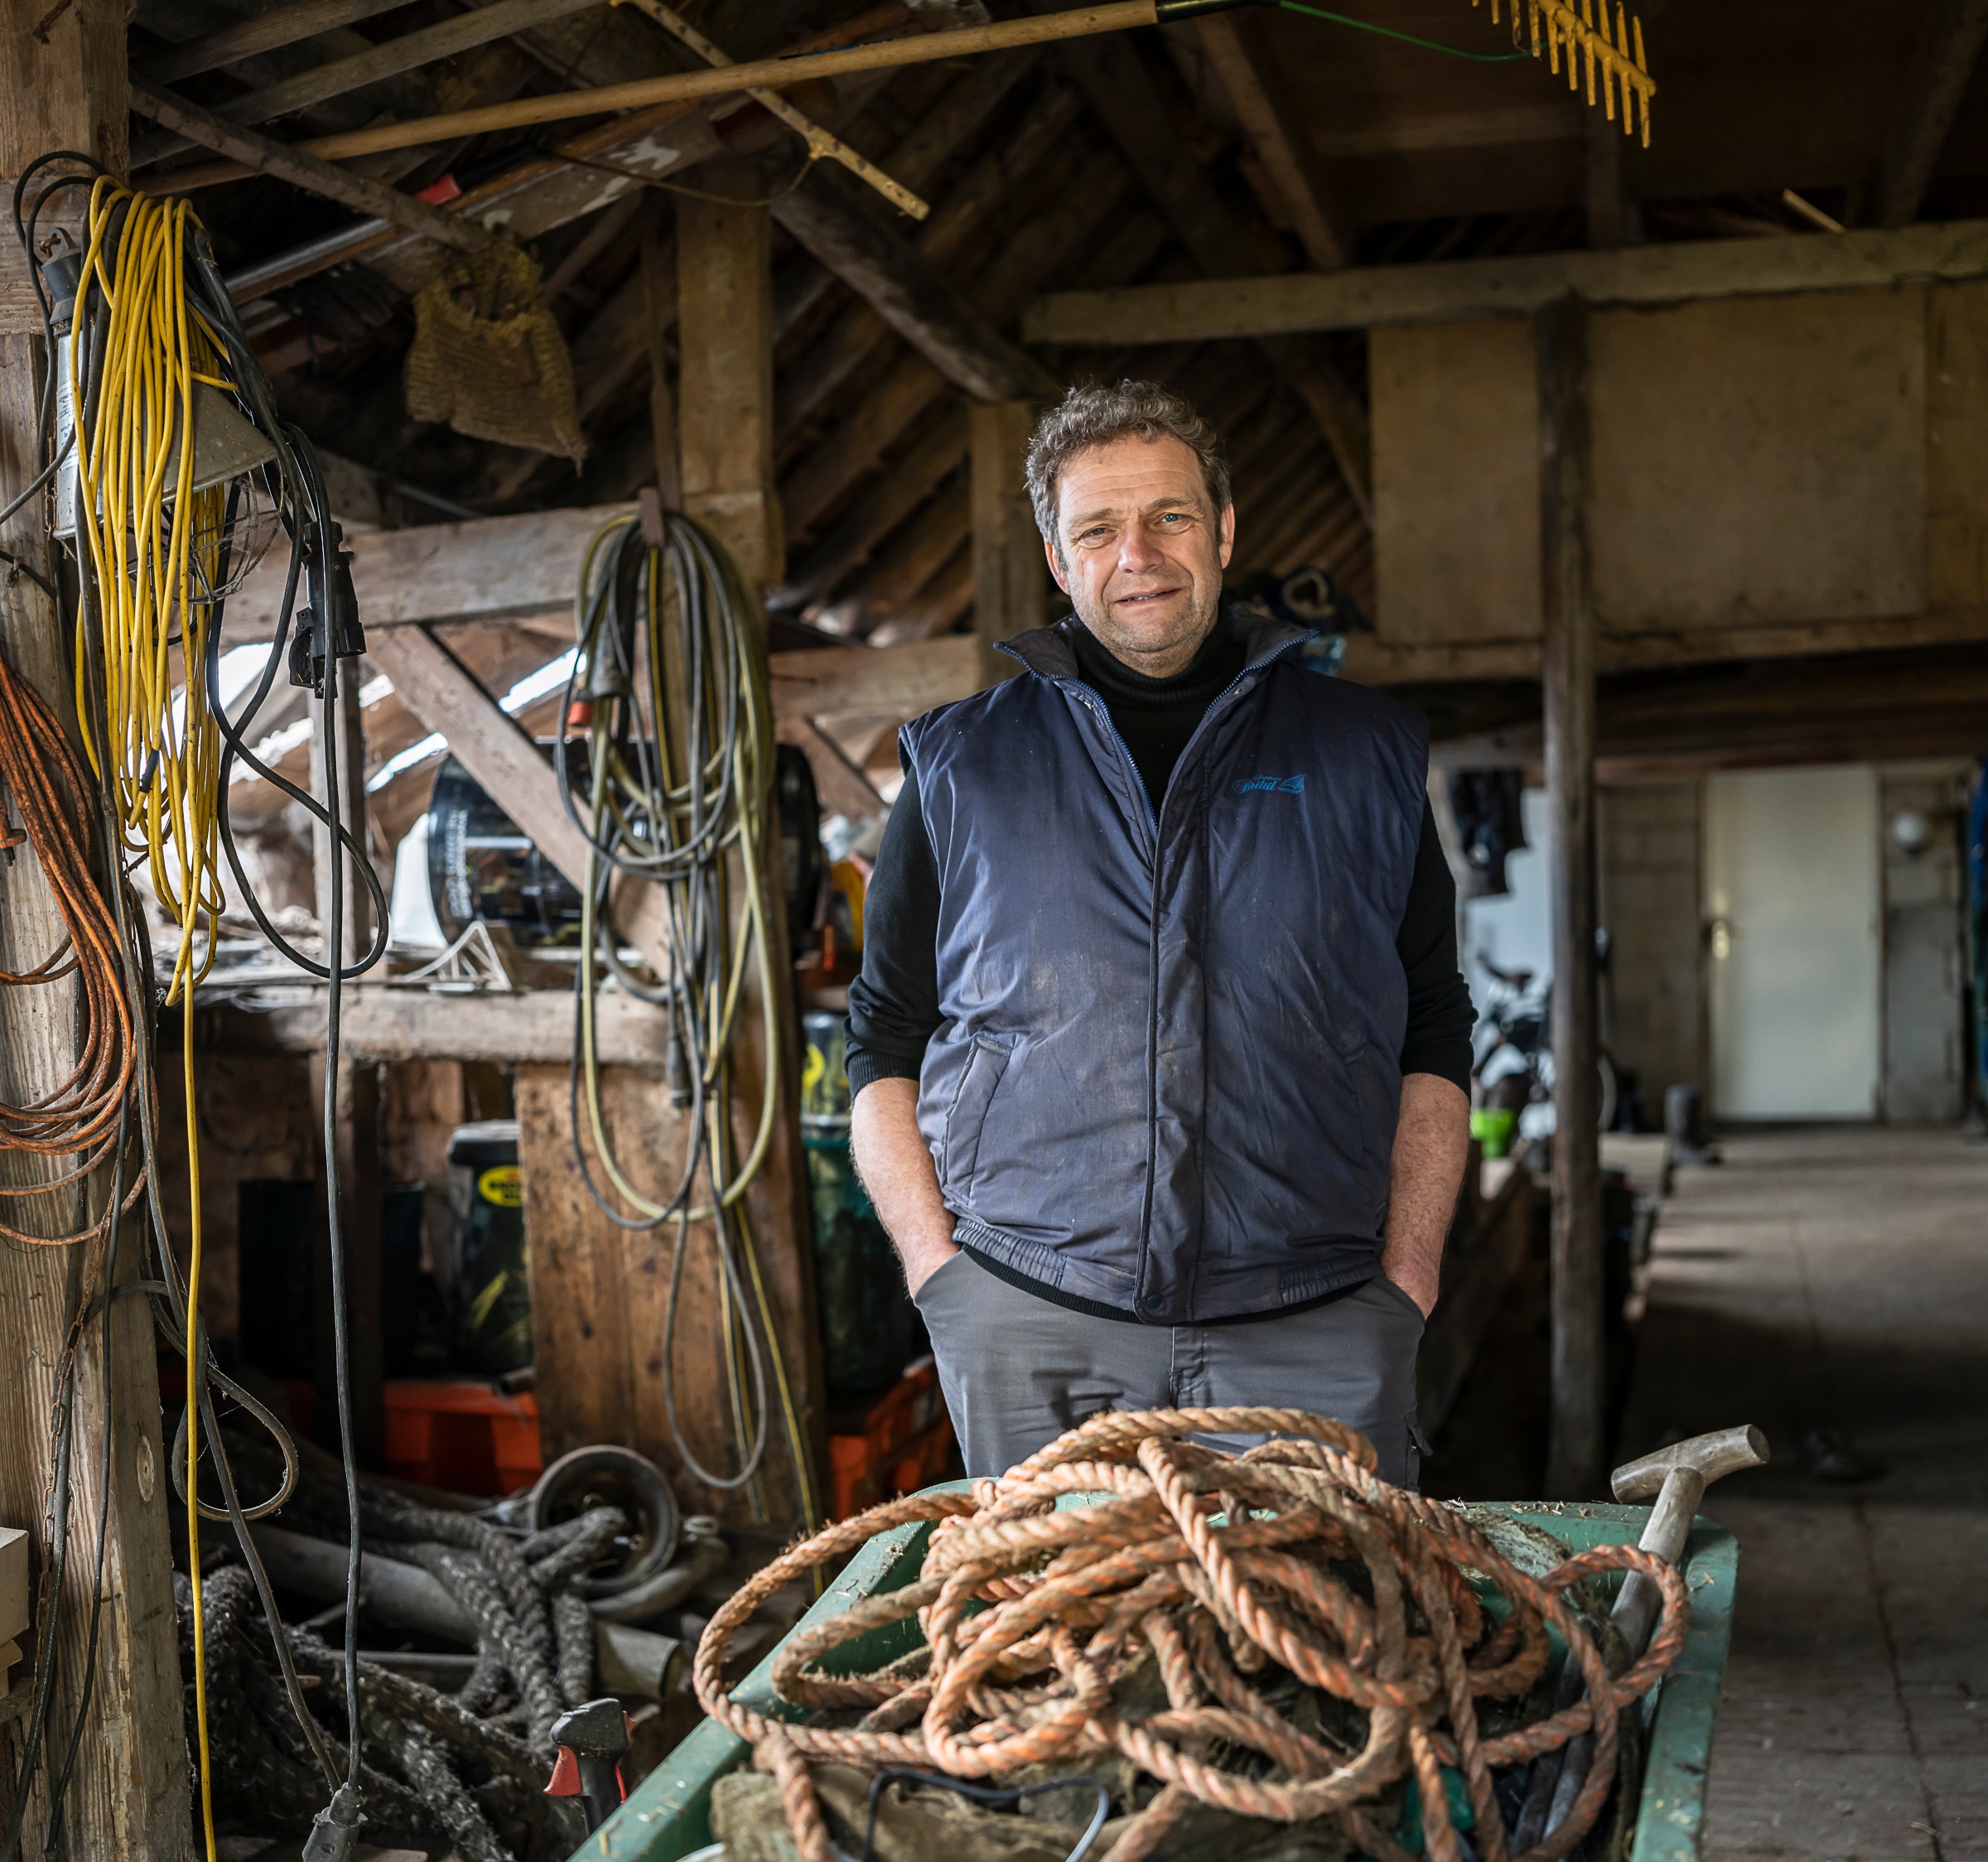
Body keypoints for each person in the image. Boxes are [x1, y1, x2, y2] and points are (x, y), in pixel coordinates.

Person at [845, 381, 1475, 1487]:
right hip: (1031, 1321)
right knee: (1062, 1653)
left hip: (1313, 1322)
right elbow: (882, 1039)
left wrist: (1406, 1277)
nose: (1139, 553)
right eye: (1099, 527)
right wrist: (941, 1277)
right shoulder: (960, 765)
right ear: (1059, 556)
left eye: (1171, 516)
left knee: (1319, 1648)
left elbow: (1434, 1024)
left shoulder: (1365, 752)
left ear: (1224, 531)